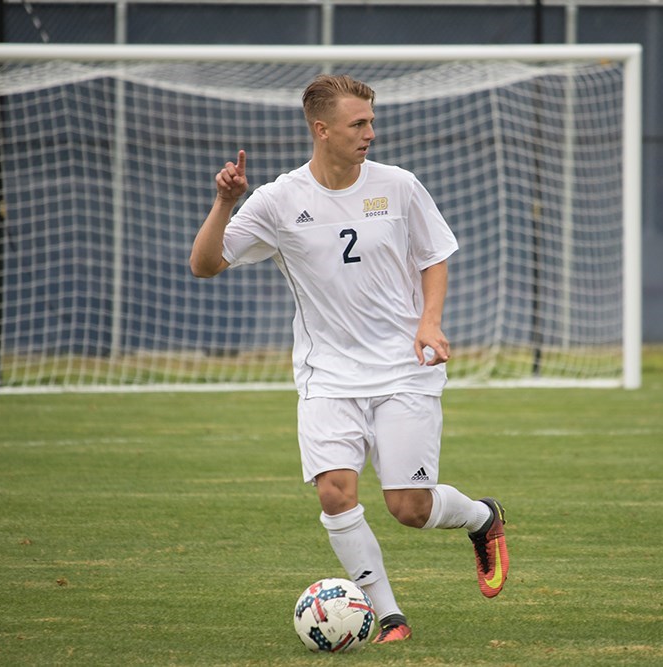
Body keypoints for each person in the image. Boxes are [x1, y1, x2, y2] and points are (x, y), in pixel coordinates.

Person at [189, 74, 508, 644]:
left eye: (371, 121)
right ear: (322, 130)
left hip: (402, 369)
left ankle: (483, 518)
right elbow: (205, 264)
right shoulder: (279, 199)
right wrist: (224, 203)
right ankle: (390, 618)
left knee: (407, 506)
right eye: (358, 124)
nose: (370, 133)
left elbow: (435, 256)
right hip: (326, 375)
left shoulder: (400, 186)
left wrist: (429, 322)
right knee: (335, 491)